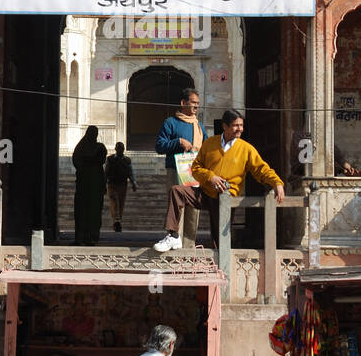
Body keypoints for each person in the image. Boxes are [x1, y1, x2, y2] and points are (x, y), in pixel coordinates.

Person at [155, 109, 284, 254]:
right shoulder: (210, 143)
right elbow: (196, 168)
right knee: (177, 191)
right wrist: (210, 177)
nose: (240, 129)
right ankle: (173, 235)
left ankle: (221, 271)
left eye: (241, 125)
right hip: (205, 192)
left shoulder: (246, 149)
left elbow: (262, 169)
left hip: (226, 197)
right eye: (235, 125)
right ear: (225, 126)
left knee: (220, 238)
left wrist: (277, 183)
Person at [155, 88, 208, 247]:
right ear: (183, 103)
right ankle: (174, 240)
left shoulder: (199, 126)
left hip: (194, 171)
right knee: (176, 205)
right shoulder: (170, 122)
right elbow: (159, 146)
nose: (196, 107)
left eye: (198, 104)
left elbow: (206, 147)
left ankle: (189, 246)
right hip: (175, 170)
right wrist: (178, 142)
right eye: (193, 103)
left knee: (193, 209)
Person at [71, 125, 106, 246]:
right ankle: (80, 237)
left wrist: (88, 160)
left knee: (94, 212)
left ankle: (91, 237)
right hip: (84, 185)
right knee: (82, 211)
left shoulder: (100, 147)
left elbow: (100, 159)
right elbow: (77, 160)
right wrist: (91, 159)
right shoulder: (82, 147)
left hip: (95, 185)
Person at [105, 141, 139, 233]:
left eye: (121, 148)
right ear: (115, 149)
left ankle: (118, 220)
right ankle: (116, 220)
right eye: (118, 148)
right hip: (112, 184)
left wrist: (134, 183)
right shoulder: (110, 159)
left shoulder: (127, 160)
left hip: (122, 185)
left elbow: (130, 172)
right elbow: (106, 171)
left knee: (120, 203)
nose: (120, 150)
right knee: (114, 201)